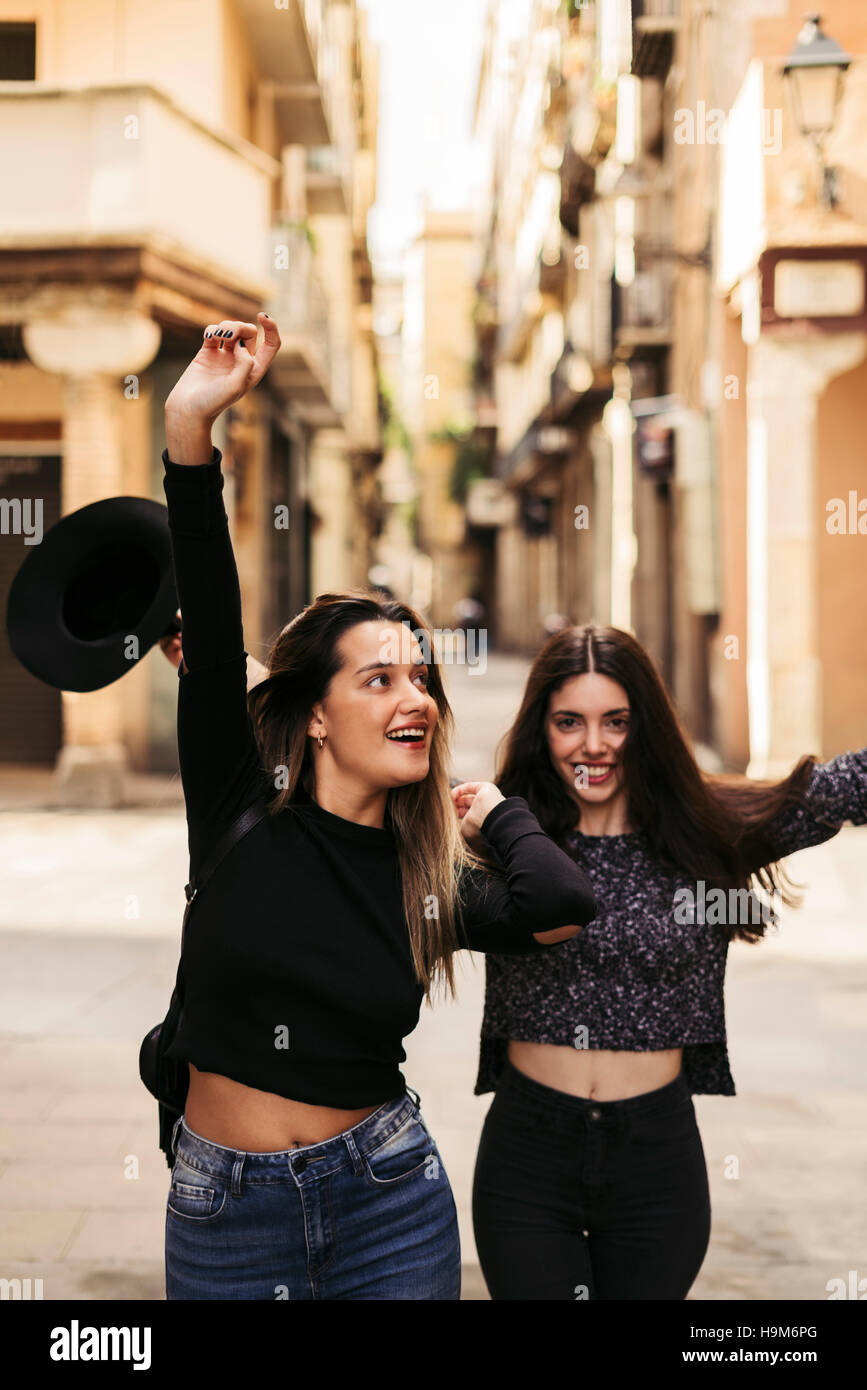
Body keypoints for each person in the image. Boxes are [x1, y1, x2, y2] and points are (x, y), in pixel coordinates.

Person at [158, 314, 598, 1300]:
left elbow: (565, 903)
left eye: (421, 680)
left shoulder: (429, 875)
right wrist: (193, 423)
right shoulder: (236, 800)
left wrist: (497, 813)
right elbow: (211, 588)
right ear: (313, 715)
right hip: (225, 1206)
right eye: (379, 681)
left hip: (386, 1192)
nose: (415, 700)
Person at [471, 622, 867, 1300]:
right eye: (569, 721)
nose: (592, 746)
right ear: (543, 728)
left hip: (654, 1160)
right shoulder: (503, 832)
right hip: (527, 1157)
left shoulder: (705, 829)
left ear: (644, 727)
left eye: (615, 722)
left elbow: (845, 787)